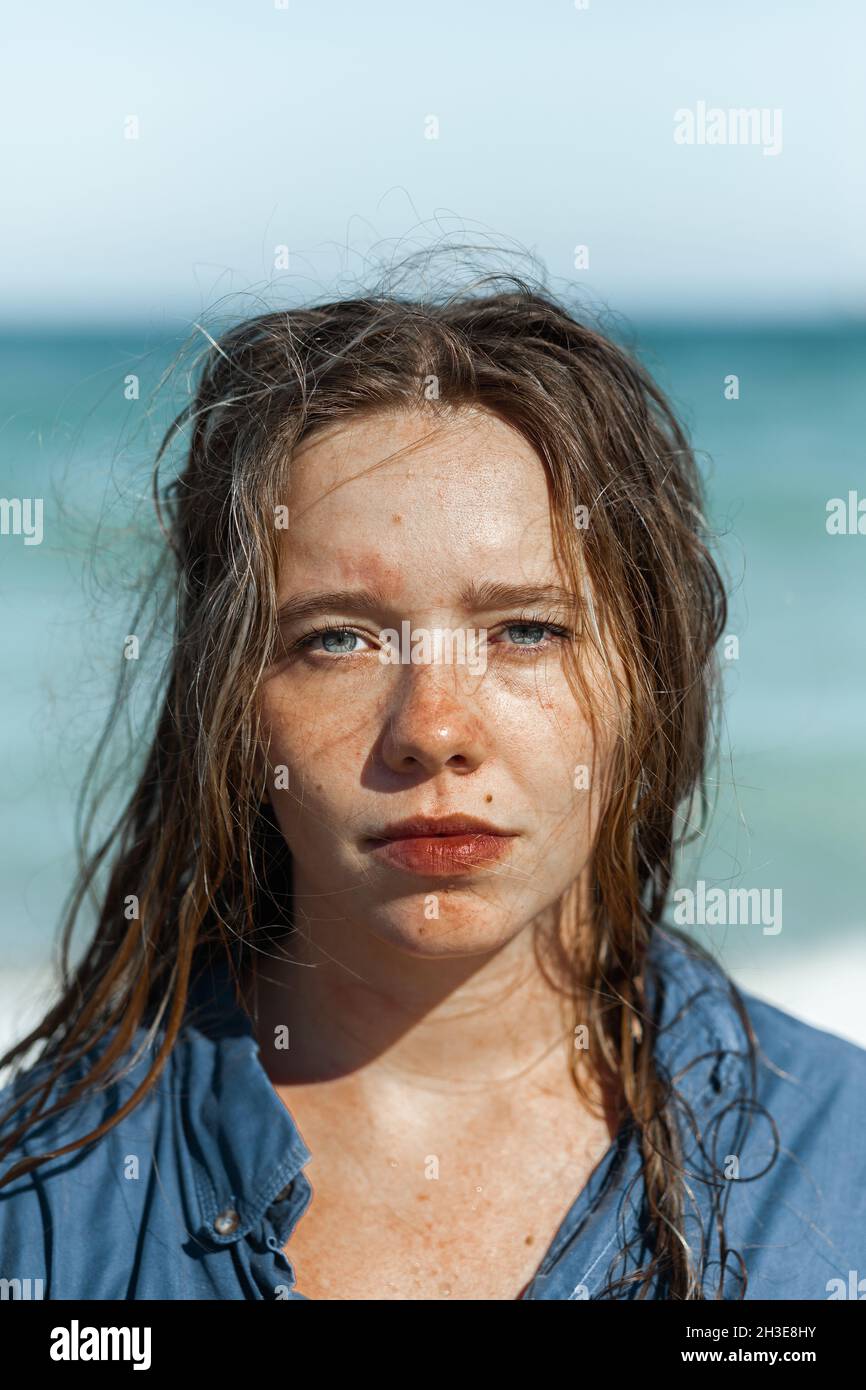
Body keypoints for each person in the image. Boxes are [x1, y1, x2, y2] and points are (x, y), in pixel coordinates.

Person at [1, 264, 864, 1301]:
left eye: (526, 630)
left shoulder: (832, 1177)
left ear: (649, 678)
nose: (432, 731)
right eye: (336, 640)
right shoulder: (52, 1208)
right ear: (230, 699)